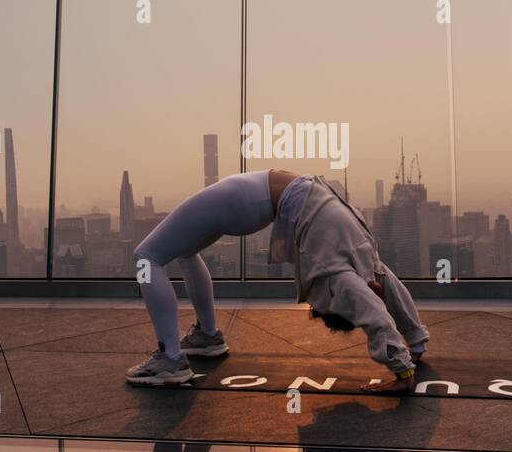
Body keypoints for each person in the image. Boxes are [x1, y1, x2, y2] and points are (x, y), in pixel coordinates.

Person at [125, 168, 429, 393]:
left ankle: (171, 359)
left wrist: (405, 364)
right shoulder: (358, 272)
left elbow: (379, 303)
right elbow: (380, 301)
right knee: (183, 248)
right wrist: (411, 348)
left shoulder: (352, 262)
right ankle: (207, 337)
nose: (315, 306)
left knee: (145, 256)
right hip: (259, 198)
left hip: (265, 197)